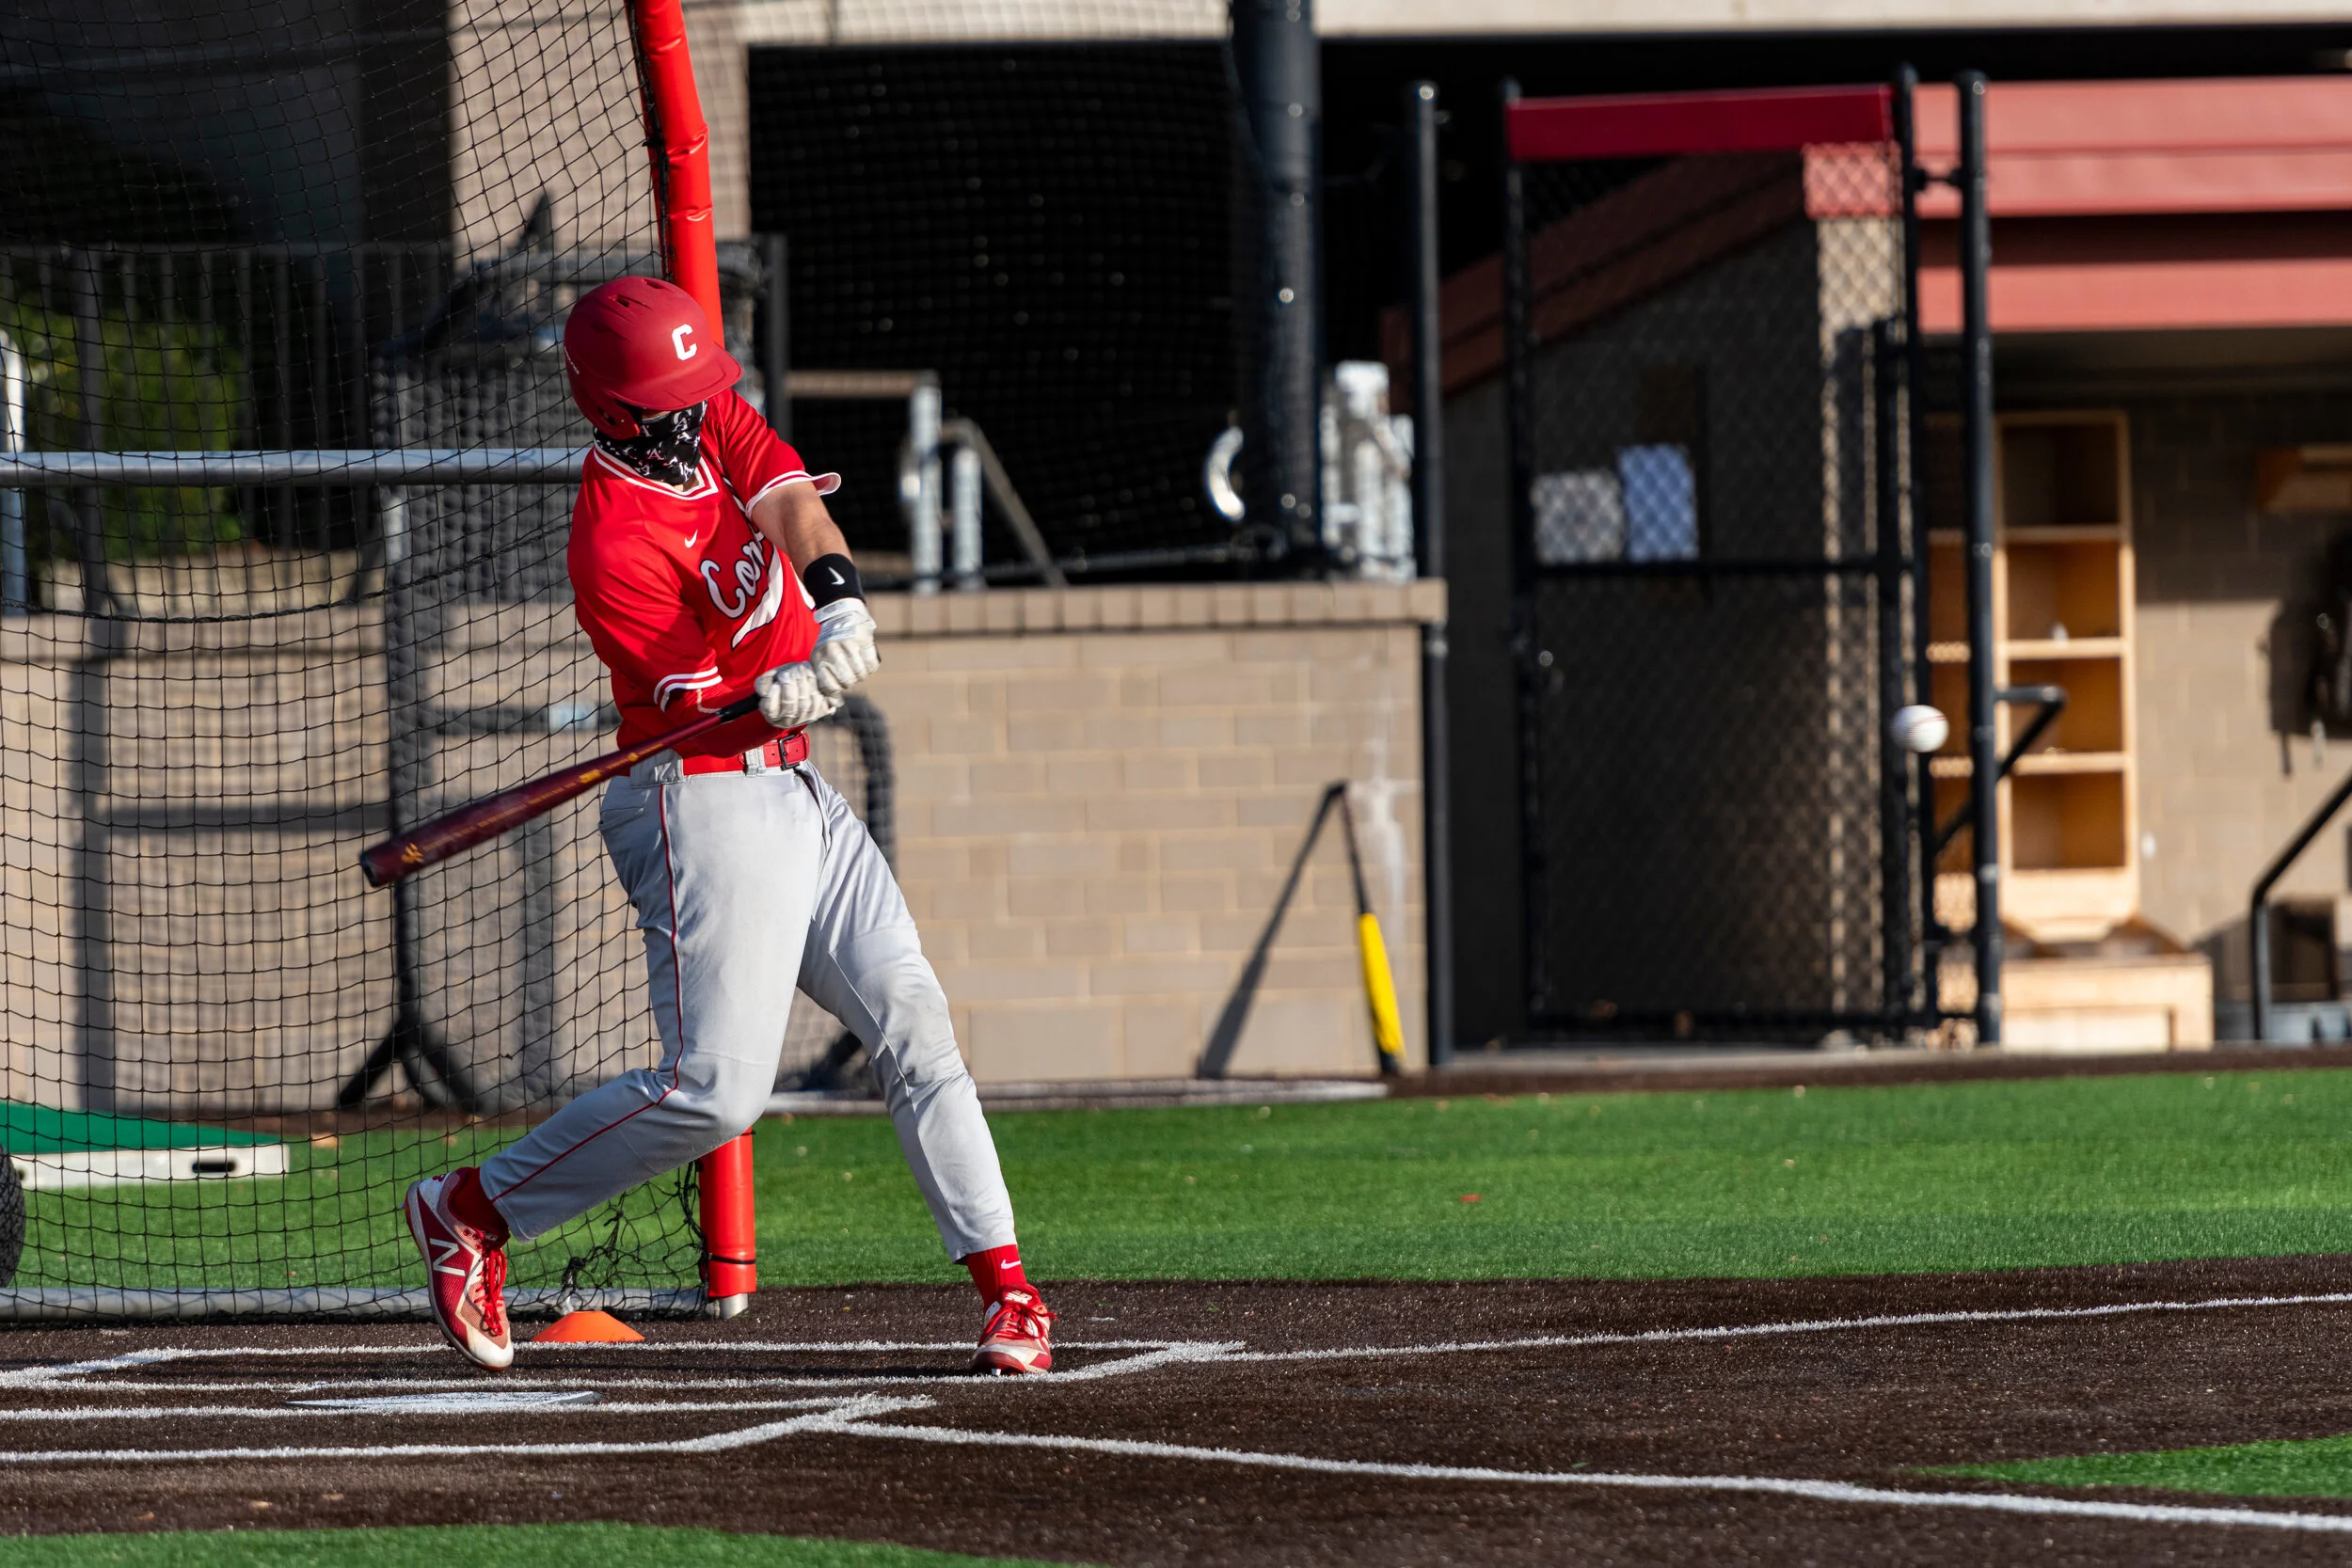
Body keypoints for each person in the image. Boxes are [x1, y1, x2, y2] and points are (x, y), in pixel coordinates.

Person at [403, 275, 1053, 1376]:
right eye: (671, 396)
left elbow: (792, 504)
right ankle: (471, 1206)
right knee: (716, 1088)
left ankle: (1007, 1289)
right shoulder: (611, 543)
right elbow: (703, 699)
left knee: (913, 1020)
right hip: (696, 792)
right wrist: (786, 685)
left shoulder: (704, 417)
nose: (696, 407)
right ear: (614, 407)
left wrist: (837, 598)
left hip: (791, 780)